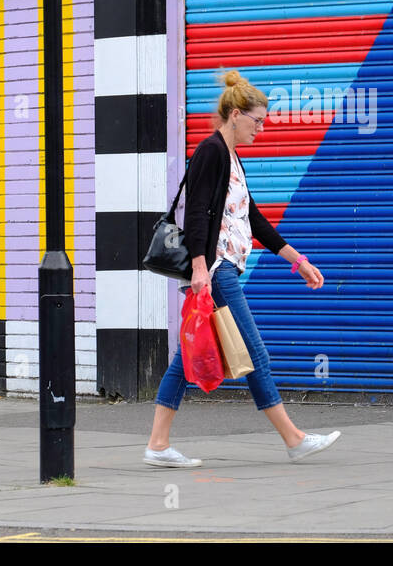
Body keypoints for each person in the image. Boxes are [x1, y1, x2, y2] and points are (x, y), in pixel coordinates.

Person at [144, 70, 341, 468]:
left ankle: (158, 444)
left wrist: (298, 260)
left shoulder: (231, 158)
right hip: (216, 271)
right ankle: (294, 438)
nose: (261, 129)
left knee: (188, 356)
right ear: (235, 115)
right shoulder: (211, 152)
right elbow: (197, 213)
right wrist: (200, 267)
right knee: (254, 353)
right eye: (257, 121)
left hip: (222, 269)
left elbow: (253, 220)